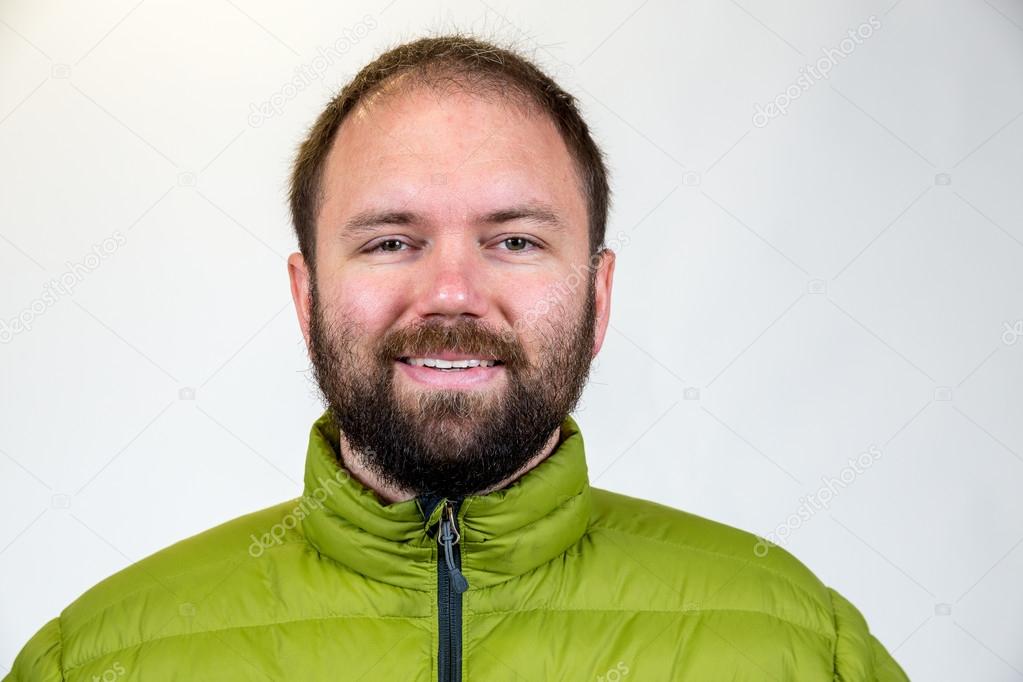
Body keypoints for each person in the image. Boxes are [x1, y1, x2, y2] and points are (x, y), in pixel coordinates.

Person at [4, 33, 910, 681]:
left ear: (597, 297)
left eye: (513, 241)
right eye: (390, 241)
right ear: (304, 294)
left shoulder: (800, 646)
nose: (450, 293)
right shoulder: (95, 660)